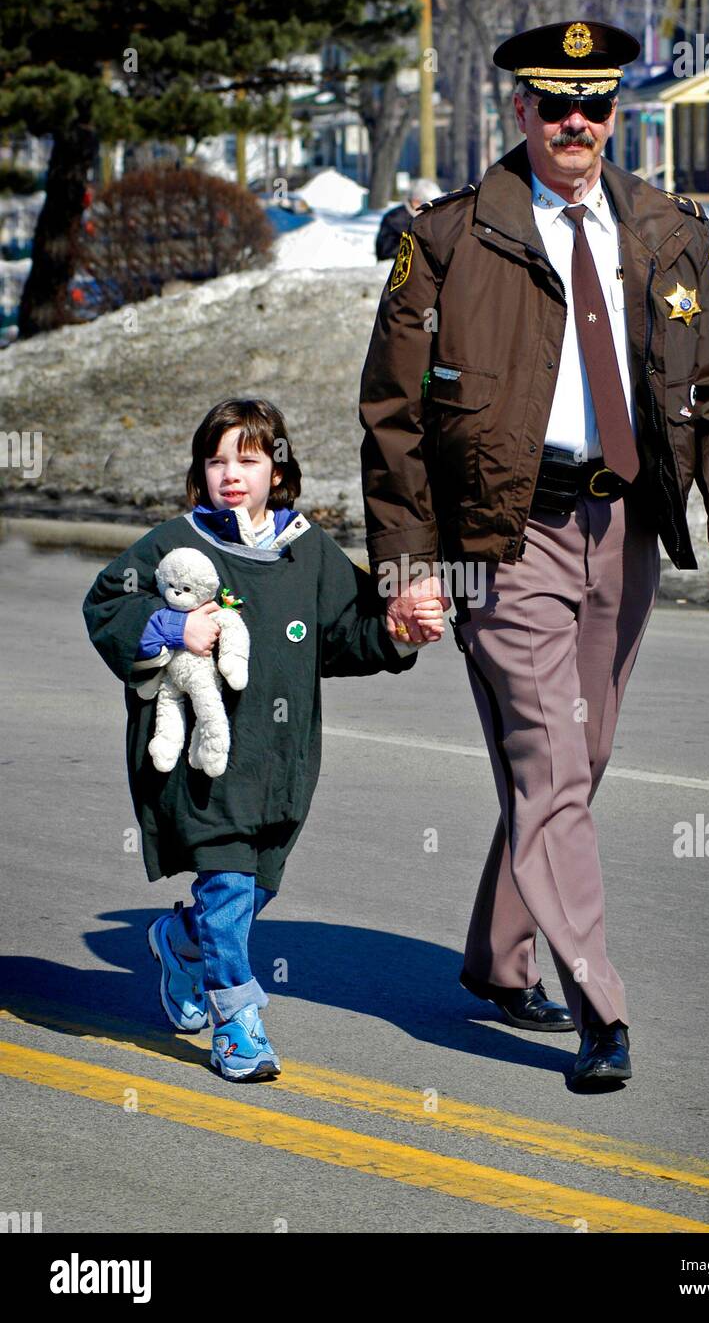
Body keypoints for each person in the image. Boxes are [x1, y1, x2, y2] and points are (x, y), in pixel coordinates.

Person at [358, 20, 709, 1090]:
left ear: (615, 112)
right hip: (501, 535)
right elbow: (393, 420)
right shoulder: (448, 240)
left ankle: (500, 958)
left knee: (574, 766)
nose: (575, 124)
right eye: (554, 106)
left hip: (623, 526)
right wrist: (408, 567)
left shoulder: (668, 230)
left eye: (593, 106)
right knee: (550, 758)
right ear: (521, 113)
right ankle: (601, 1004)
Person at [82, 398, 444, 1082]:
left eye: (247, 459)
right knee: (227, 892)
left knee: (251, 892)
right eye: (216, 460)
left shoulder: (305, 550)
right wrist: (169, 628)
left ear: (278, 471)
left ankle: (179, 943)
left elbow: (347, 631)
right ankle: (237, 1027)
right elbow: (106, 602)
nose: (230, 473)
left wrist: (398, 633)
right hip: (204, 766)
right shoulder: (175, 543)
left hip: (282, 765)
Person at [375, 178, 441, 261]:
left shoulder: (431, 219)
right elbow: (386, 252)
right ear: (415, 202)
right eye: (430, 206)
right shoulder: (394, 219)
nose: (433, 210)